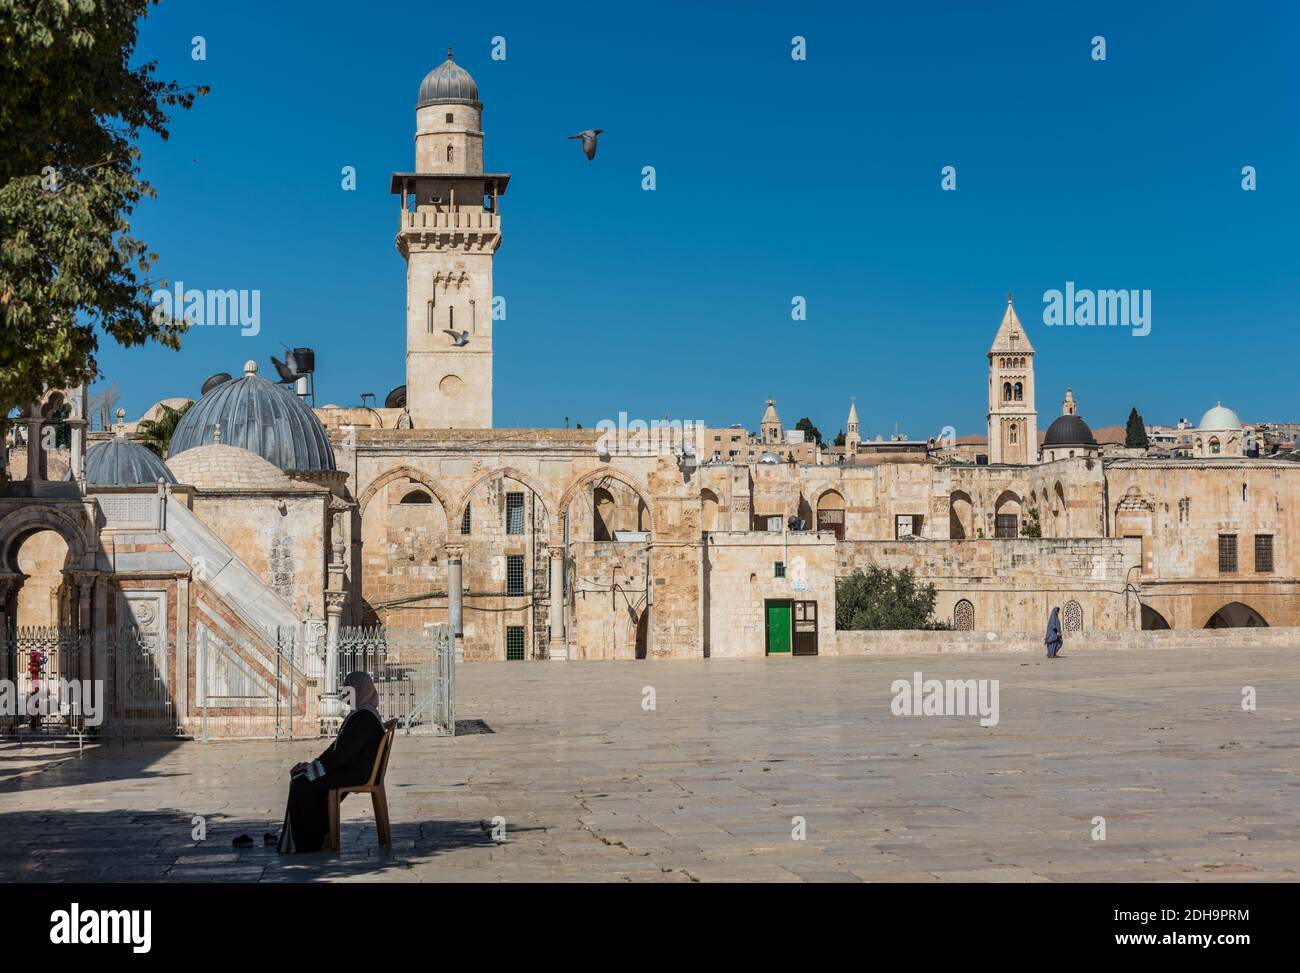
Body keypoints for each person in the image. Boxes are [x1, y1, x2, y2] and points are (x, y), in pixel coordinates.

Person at [276, 671, 386, 853]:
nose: (344, 691)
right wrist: (313, 765)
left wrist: (316, 770)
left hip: (356, 773)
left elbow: (343, 755)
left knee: (302, 782)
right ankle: (307, 835)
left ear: (359, 689)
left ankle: (305, 840)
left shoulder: (363, 718)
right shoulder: (361, 714)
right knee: (303, 776)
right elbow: (337, 749)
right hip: (353, 769)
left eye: (348, 687)